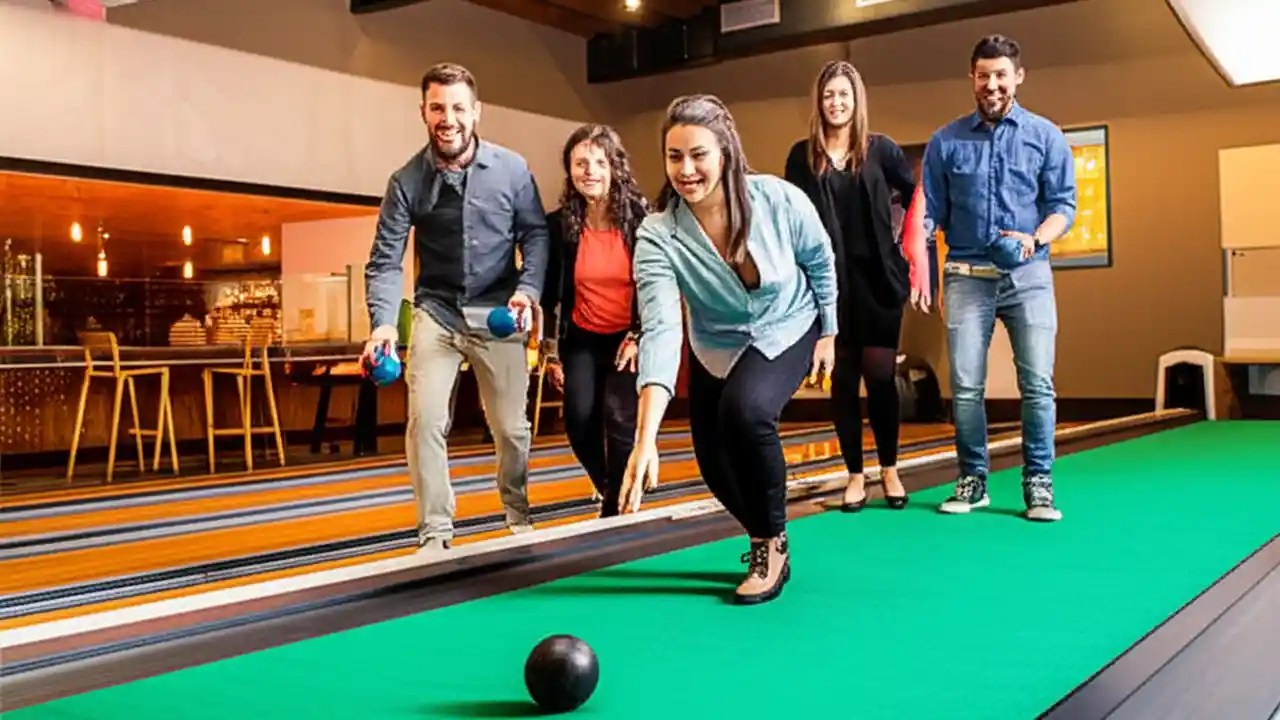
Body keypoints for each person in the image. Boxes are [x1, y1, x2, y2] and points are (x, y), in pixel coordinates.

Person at [618, 94, 839, 605]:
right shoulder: (657, 234)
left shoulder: (779, 199)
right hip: (716, 342)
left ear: (725, 152)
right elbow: (662, 328)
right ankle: (768, 534)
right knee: (713, 462)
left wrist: (829, 331)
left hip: (789, 322)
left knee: (747, 411)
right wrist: (645, 439)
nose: (686, 169)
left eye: (699, 154)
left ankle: (770, 544)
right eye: (675, 157)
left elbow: (821, 262)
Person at [362, 62, 550, 554]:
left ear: (476, 111)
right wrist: (382, 325)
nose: (449, 117)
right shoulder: (406, 181)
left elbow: (534, 233)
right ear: (424, 111)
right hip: (437, 313)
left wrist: (528, 290)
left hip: (498, 313)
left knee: (511, 428)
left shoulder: (511, 169)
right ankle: (435, 533)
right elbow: (385, 259)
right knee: (425, 420)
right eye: (438, 107)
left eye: (458, 108)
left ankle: (517, 509)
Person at [921, 35, 1076, 522]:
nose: (992, 84)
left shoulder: (1045, 136)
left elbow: (1063, 207)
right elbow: (931, 211)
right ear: (972, 77)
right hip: (966, 275)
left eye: (1001, 75)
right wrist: (913, 247)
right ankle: (973, 480)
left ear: (1018, 77)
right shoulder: (946, 141)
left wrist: (1034, 238)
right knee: (966, 386)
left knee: (1038, 385)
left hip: (1028, 275)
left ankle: (1039, 484)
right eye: (983, 75)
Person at [784, 60, 931, 513]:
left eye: (844, 94)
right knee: (843, 383)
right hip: (829, 283)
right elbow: (790, 218)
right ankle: (854, 474)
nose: (836, 102)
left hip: (878, 280)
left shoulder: (881, 150)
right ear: (819, 102)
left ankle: (889, 468)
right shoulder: (801, 155)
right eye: (829, 95)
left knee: (881, 378)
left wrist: (913, 246)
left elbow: (916, 196)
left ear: (856, 99)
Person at [539, 124, 648, 518]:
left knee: (619, 419)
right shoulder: (560, 226)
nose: (590, 171)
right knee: (579, 418)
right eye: (581, 163)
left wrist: (640, 333)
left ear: (615, 167)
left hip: (628, 337)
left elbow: (654, 288)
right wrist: (550, 353)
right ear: (569, 170)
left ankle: (613, 509)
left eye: (599, 162)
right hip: (582, 337)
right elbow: (549, 294)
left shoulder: (640, 221)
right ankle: (610, 485)